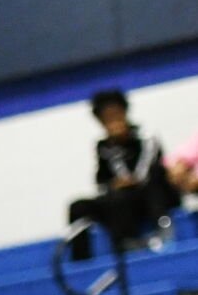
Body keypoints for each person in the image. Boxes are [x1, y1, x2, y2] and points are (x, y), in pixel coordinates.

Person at [68, 89, 179, 261]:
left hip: (150, 196)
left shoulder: (147, 138)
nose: (113, 121)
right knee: (78, 206)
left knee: (128, 194)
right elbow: (102, 182)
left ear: (125, 113)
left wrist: (126, 181)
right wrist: (114, 179)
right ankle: (81, 262)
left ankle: (148, 235)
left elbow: (149, 172)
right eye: (107, 118)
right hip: (120, 201)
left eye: (116, 115)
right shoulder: (103, 147)